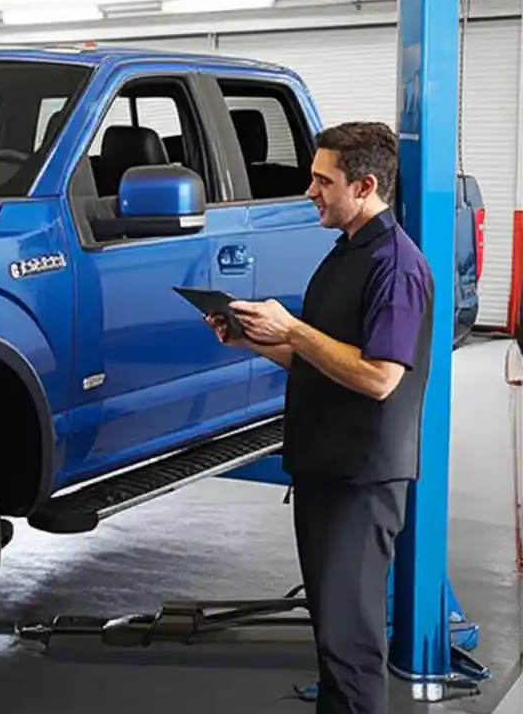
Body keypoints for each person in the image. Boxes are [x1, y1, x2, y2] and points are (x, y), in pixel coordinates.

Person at [206, 121, 433, 714]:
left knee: (351, 646)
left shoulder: (396, 267)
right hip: (324, 469)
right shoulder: (346, 253)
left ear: (364, 186)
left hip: (361, 481)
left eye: (322, 181)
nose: (310, 191)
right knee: (333, 636)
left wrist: (294, 329)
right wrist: (251, 339)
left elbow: (380, 376)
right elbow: (321, 357)